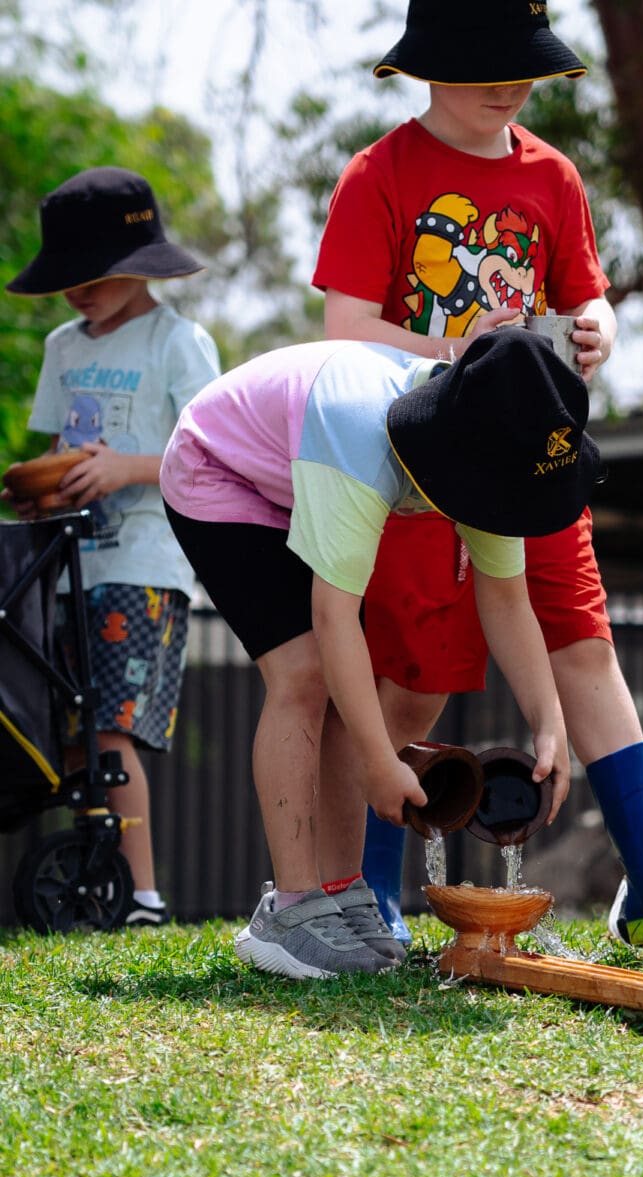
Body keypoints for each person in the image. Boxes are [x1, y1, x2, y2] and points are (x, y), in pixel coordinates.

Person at [311, 0, 643, 949]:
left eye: (524, 68)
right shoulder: (378, 173)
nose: (508, 87)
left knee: (586, 641)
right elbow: (344, 331)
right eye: (483, 67)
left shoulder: (553, 172)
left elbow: (585, 296)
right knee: (412, 682)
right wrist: (461, 345)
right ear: (425, 65)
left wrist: (601, 330)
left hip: (533, 452)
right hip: (414, 464)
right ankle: (373, 894)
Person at [160, 326, 597, 980]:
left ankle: (342, 892)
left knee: (343, 687)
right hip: (215, 467)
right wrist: (376, 759)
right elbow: (333, 619)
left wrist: (550, 725)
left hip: (290, 478)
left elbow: (506, 602)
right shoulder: (359, 435)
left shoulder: (489, 455)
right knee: (304, 676)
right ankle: (291, 909)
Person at [6, 167, 220, 925]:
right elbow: (63, 448)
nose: (76, 291)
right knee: (68, 736)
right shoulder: (64, 346)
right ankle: (90, 880)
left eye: (90, 273)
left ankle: (143, 895)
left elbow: (214, 454)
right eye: (65, 277)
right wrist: (36, 488)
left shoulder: (178, 340)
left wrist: (126, 468)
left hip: (145, 563)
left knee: (111, 730)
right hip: (64, 567)